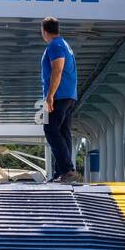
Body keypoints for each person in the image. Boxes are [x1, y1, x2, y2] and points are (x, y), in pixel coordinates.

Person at [40, 16, 80, 184]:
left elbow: (58, 69)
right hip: (69, 94)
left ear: (44, 31)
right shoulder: (64, 44)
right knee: (63, 132)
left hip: (59, 95)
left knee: (50, 129)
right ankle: (61, 173)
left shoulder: (55, 45)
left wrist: (50, 96)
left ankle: (67, 170)